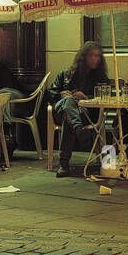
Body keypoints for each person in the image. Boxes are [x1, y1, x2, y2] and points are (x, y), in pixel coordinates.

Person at [51, 41, 110, 178]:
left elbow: (104, 98)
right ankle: (79, 130)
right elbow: (51, 92)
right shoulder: (65, 73)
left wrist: (85, 98)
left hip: (85, 112)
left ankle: (64, 164)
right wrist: (60, 94)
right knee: (68, 101)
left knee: (69, 118)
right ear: (83, 57)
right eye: (92, 56)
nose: (96, 59)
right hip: (61, 109)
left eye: (98, 56)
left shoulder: (100, 78)